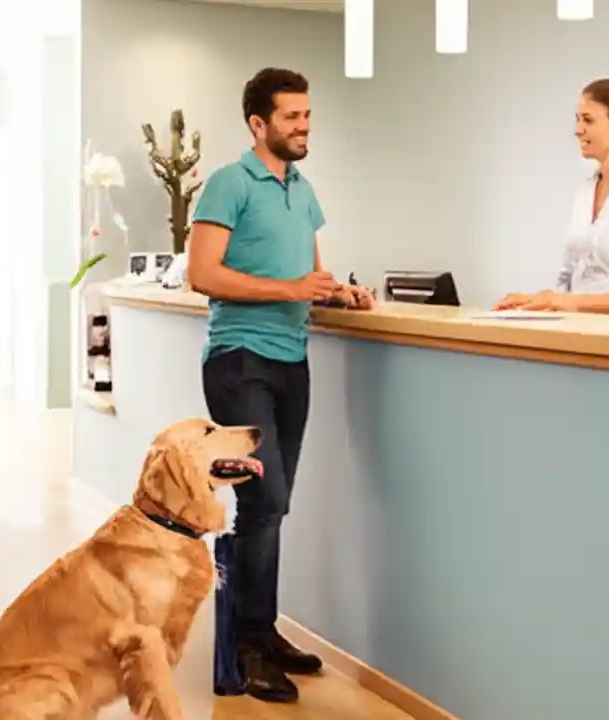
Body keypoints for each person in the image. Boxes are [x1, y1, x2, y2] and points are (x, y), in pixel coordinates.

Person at [187, 67, 374, 704]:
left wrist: (340, 292)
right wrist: (290, 290)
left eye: (307, 116)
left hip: (293, 362)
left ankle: (261, 633)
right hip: (240, 360)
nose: (305, 127)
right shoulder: (227, 183)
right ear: (258, 124)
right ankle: (243, 643)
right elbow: (202, 274)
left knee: (275, 504)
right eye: (292, 117)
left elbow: (311, 271)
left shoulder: (303, 188)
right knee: (263, 503)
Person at [494, 78, 609, 316]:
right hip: (573, 334)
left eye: (588, 120)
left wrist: (569, 303)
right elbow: (568, 277)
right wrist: (539, 301)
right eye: (577, 119)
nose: (578, 130)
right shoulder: (585, 192)